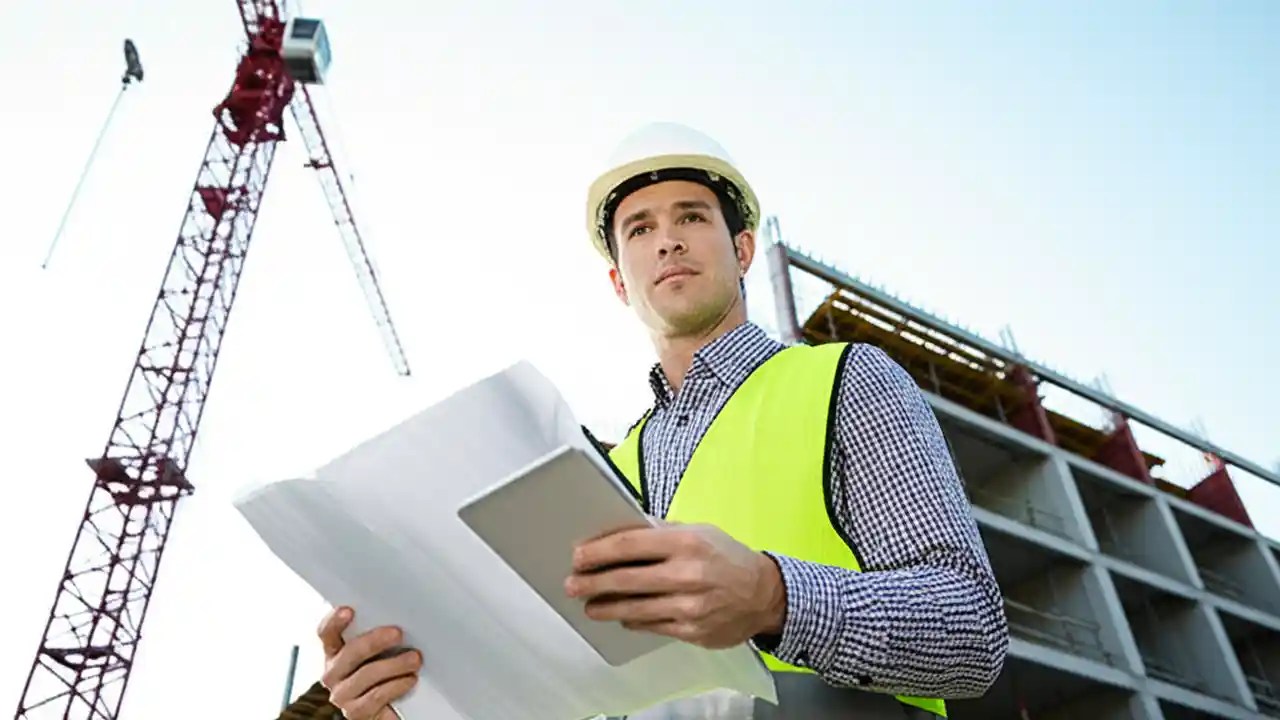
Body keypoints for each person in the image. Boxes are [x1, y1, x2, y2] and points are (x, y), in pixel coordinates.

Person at [274, 122, 1008, 719]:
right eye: (640, 228)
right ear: (620, 279)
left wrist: (772, 597)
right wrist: (411, 705)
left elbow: (973, 630)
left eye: (692, 216)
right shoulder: (592, 470)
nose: (669, 239)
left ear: (742, 248)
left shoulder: (845, 379)